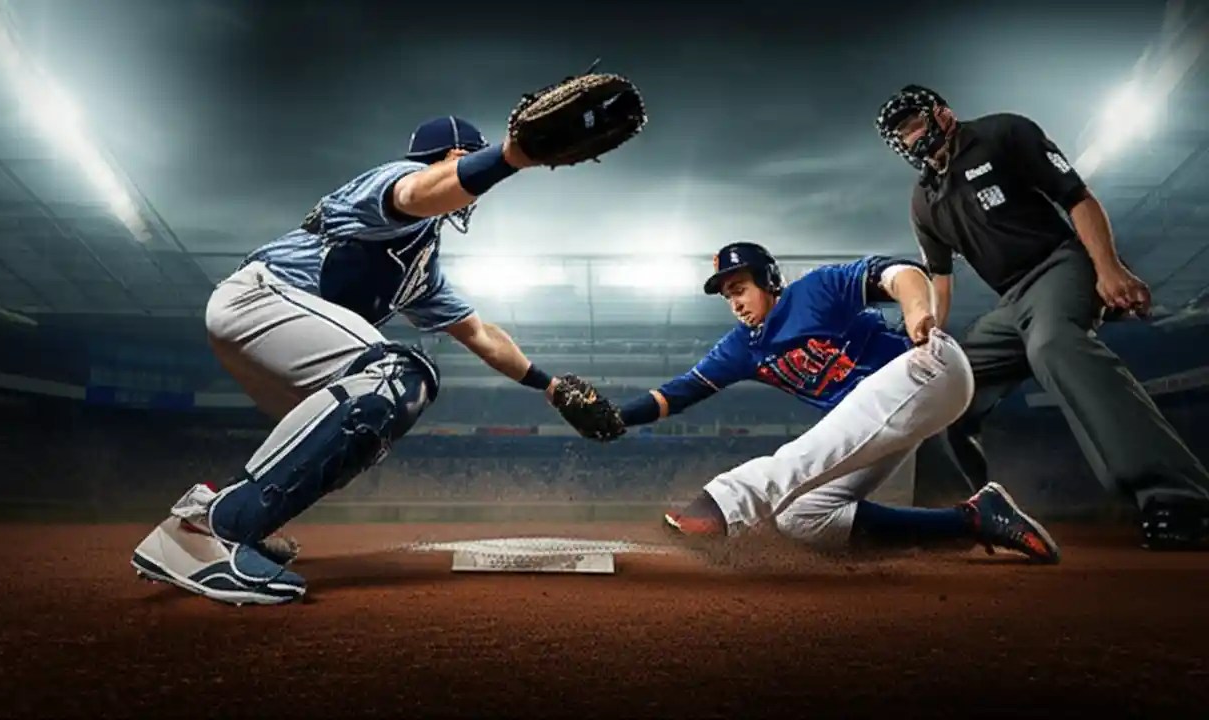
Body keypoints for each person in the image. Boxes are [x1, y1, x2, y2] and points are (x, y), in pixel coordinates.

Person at [130, 116, 574, 605]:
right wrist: (509, 157)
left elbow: (482, 335)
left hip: (281, 337)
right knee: (399, 377)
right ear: (452, 158)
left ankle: (223, 519)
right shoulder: (393, 184)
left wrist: (551, 388)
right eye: (471, 157)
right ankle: (212, 532)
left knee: (363, 431)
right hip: (261, 301)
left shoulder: (421, 265)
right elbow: (417, 194)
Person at [874, 84, 1209, 550]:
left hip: (1058, 266)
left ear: (942, 113)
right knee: (938, 384)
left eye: (913, 122)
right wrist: (930, 332)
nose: (910, 137)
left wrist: (1108, 268)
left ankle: (1179, 496)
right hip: (1010, 301)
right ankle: (953, 517)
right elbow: (941, 280)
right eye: (900, 133)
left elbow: (1078, 198)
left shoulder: (1002, 133)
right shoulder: (923, 200)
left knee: (1052, 343)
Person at [609, 242, 1059, 562]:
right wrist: (614, 416)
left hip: (927, 366)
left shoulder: (816, 290)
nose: (736, 303)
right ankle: (974, 520)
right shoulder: (742, 347)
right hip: (891, 411)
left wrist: (918, 312)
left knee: (800, 456)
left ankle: (728, 502)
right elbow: (677, 393)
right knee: (804, 517)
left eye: (740, 288)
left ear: (768, 281)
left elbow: (901, 272)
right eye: (728, 296)